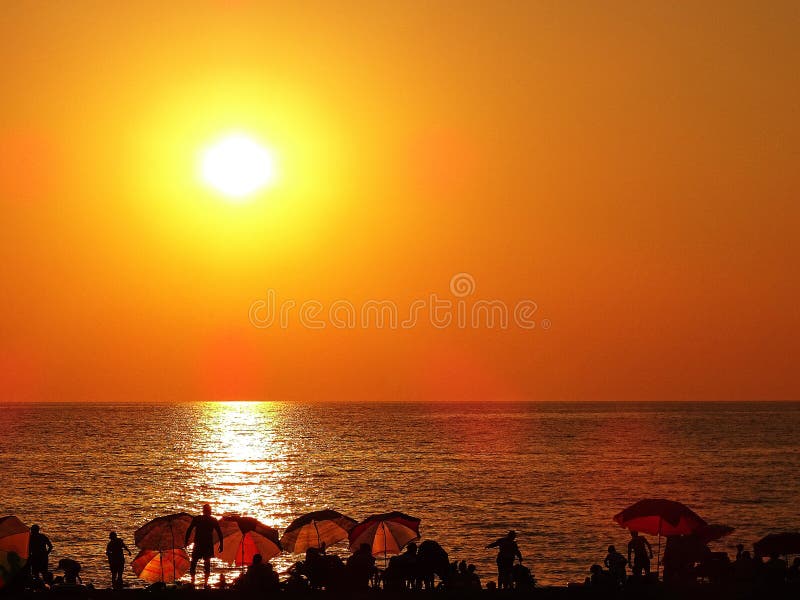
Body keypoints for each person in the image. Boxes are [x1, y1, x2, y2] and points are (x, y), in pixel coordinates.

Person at [184, 504, 224, 588]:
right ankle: (205, 583)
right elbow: (220, 533)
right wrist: (221, 544)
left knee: (194, 563)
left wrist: (186, 541)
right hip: (208, 544)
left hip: (198, 543)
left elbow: (189, 530)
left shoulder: (197, 519)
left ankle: (192, 582)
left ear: (203, 510)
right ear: (210, 511)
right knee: (207, 564)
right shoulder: (213, 520)